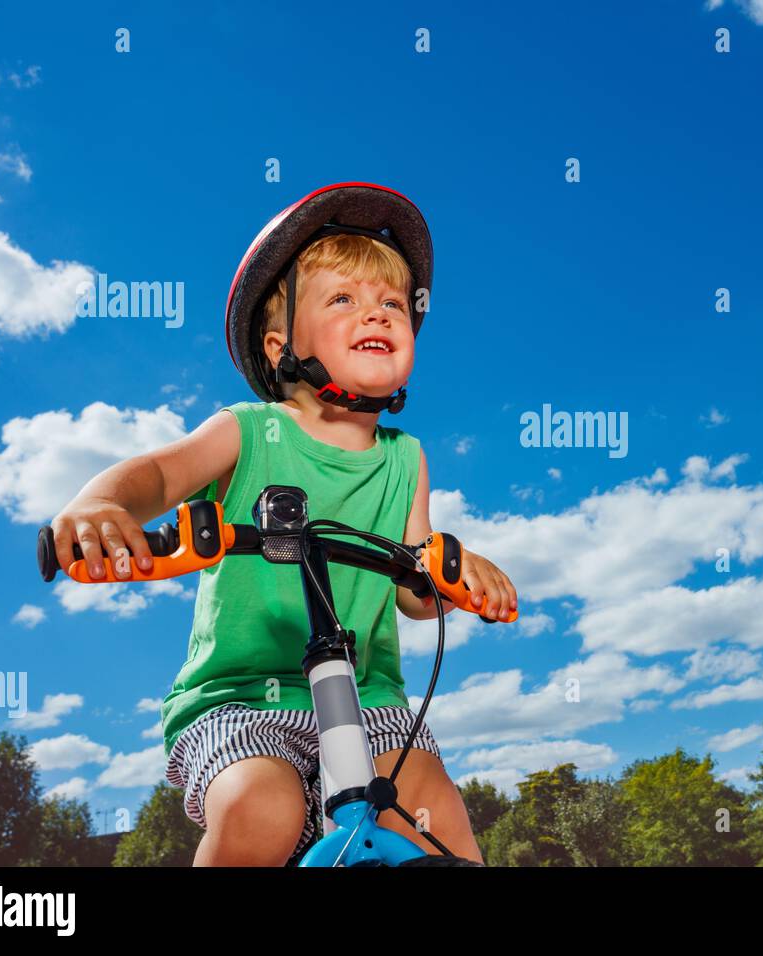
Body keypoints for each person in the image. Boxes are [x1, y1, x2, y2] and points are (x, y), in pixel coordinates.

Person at [48, 183, 516, 865]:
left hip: (370, 698)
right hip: (241, 699)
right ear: (278, 347)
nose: (377, 314)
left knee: (430, 805)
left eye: (393, 303)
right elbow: (157, 475)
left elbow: (415, 588)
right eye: (343, 300)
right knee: (261, 806)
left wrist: (454, 575)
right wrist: (101, 505)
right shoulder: (249, 430)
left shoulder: (406, 458)